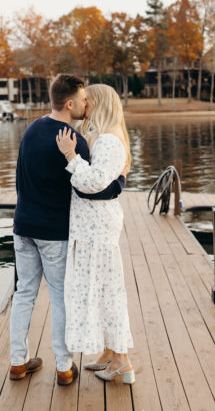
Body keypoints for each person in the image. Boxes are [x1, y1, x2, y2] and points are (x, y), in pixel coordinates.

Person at [10, 75, 126, 386]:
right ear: (71, 103)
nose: (87, 104)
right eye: (84, 98)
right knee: (61, 298)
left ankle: (17, 362)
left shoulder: (31, 130)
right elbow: (91, 188)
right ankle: (64, 367)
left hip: (23, 226)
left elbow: (19, 177)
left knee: (23, 295)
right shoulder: (74, 141)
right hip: (54, 232)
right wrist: (119, 184)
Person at [55, 83, 135, 384]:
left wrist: (71, 156)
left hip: (97, 228)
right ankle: (108, 352)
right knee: (101, 290)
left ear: (99, 104)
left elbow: (94, 183)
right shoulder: (104, 137)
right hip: (94, 226)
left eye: (87, 101)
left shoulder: (109, 141)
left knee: (108, 292)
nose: (83, 105)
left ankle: (122, 362)